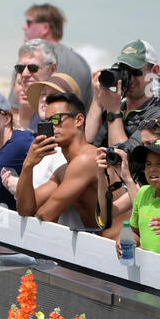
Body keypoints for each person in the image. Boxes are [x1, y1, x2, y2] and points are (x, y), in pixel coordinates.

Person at [17, 81, 101, 229]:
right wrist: (27, 165)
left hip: (123, 246)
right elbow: (25, 209)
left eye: (56, 119)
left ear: (79, 120)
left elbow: (45, 214)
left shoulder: (87, 159)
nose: (51, 126)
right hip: (99, 243)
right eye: (47, 121)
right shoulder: (63, 170)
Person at [85, 40, 160, 149]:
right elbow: (87, 141)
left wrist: (114, 113)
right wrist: (98, 100)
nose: (129, 78)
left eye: (136, 72)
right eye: (124, 71)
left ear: (154, 71)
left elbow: (122, 155)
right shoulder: (118, 107)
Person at [14, 3, 92, 107]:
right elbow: (87, 108)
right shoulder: (81, 62)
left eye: (29, 22)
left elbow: (16, 108)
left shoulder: (27, 61)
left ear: (45, 28)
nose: (24, 27)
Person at [12, 38, 58, 132]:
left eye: (33, 68)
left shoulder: (60, 120)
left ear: (52, 69)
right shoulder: (8, 122)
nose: (24, 74)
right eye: (20, 68)